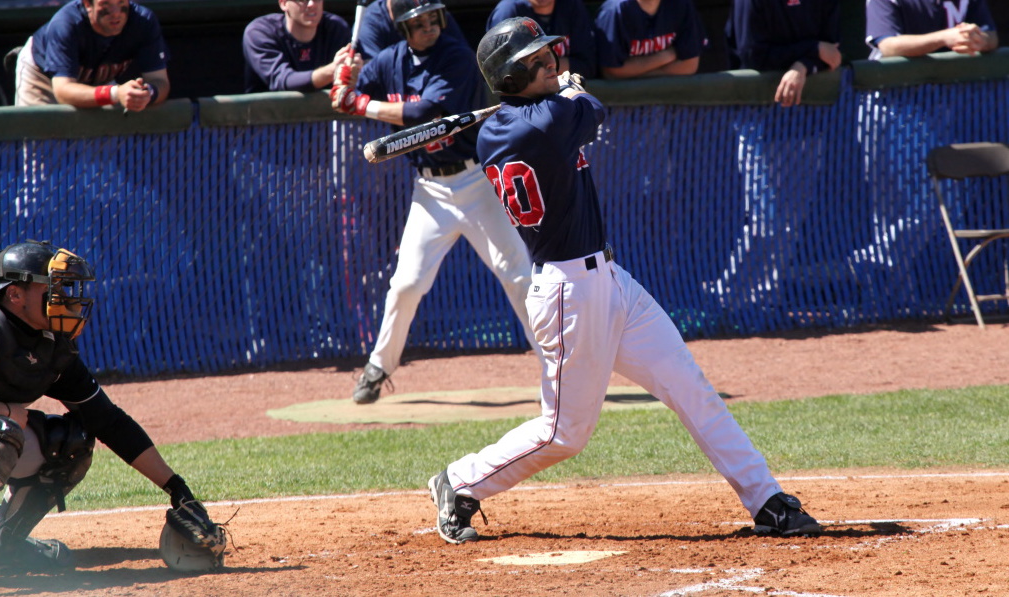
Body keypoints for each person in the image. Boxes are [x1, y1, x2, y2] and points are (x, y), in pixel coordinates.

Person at [427, 17, 824, 545]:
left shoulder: (512, 124)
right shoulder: (536, 124)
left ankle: (766, 500)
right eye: (538, 61)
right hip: (569, 293)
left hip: (610, 279)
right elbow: (592, 108)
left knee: (690, 387)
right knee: (564, 433)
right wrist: (569, 89)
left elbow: (566, 106)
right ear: (510, 77)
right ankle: (459, 481)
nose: (553, 63)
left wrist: (556, 89)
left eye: (550, 56)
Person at [330, 0, 542, 404]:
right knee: (407, 282)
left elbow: (427, 112)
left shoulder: (457, 56)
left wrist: (360, 104)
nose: (429, 28)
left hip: (476, 180)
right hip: (429, 190)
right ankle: (378, 367)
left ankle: (559, 365)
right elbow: (347, 93)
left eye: (433, 19)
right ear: (402, 27)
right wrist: (344, 77)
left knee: (517, 274)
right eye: (418, 22)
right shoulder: (390, 60)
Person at [0, 241, 219, 572]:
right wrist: (4, 413)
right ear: (14, 295)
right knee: (2, 434)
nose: (65, 297)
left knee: (68, 444)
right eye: (52, 287)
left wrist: (177, 488)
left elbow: (107, 421)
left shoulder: (51, 347)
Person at [14, 0, 169, 111]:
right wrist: (115, 93)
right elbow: (63, 91)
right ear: (87, 4)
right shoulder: (66, 24)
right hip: (43, 77)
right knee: (43, 145)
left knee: (103, 148)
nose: (116, 13)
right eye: (106, 4)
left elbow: (160, 80)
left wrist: (148, 93)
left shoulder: (143, 21)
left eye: (121, 3)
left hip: (98, 80)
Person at [725, 0, 841, 108]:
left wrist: (803, 66)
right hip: (757, 108)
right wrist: (813, 49)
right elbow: (753, 56)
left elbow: (831, 52)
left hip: (817, 109)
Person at [243, 0, 361, 93]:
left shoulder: (336, 28)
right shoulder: (260, 32)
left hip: (325, 119)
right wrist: (333, 70)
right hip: (269, 120)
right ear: (283, 3)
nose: (311, 4)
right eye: (302, 0)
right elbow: (283, 82)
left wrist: (353, 72)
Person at [593, 0, 707, 79]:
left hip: (670, 100)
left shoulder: (681, 5)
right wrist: (664, 57)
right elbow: (612, 71)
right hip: (621, 104)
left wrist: (635, 71)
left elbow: (689, 66)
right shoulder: (615, 10)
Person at [486, 0, 598, 80]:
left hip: (564, 91)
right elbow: (500, 71)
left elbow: (587, 67)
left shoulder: (572, 6)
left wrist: (534, 64)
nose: (550, 64)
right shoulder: (507, 11)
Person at [865, 0, 998, 61]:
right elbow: (888, 46)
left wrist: (980, 40)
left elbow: (991, 35)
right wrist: (944, 38)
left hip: (952, 93)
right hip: (895, 97)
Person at [353, 0, 466, 61]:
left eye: (432, 16)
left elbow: (466, 62)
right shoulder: (386, 60)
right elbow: (368, 75)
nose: (428, 27)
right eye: (417, 21)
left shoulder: (438, 13)